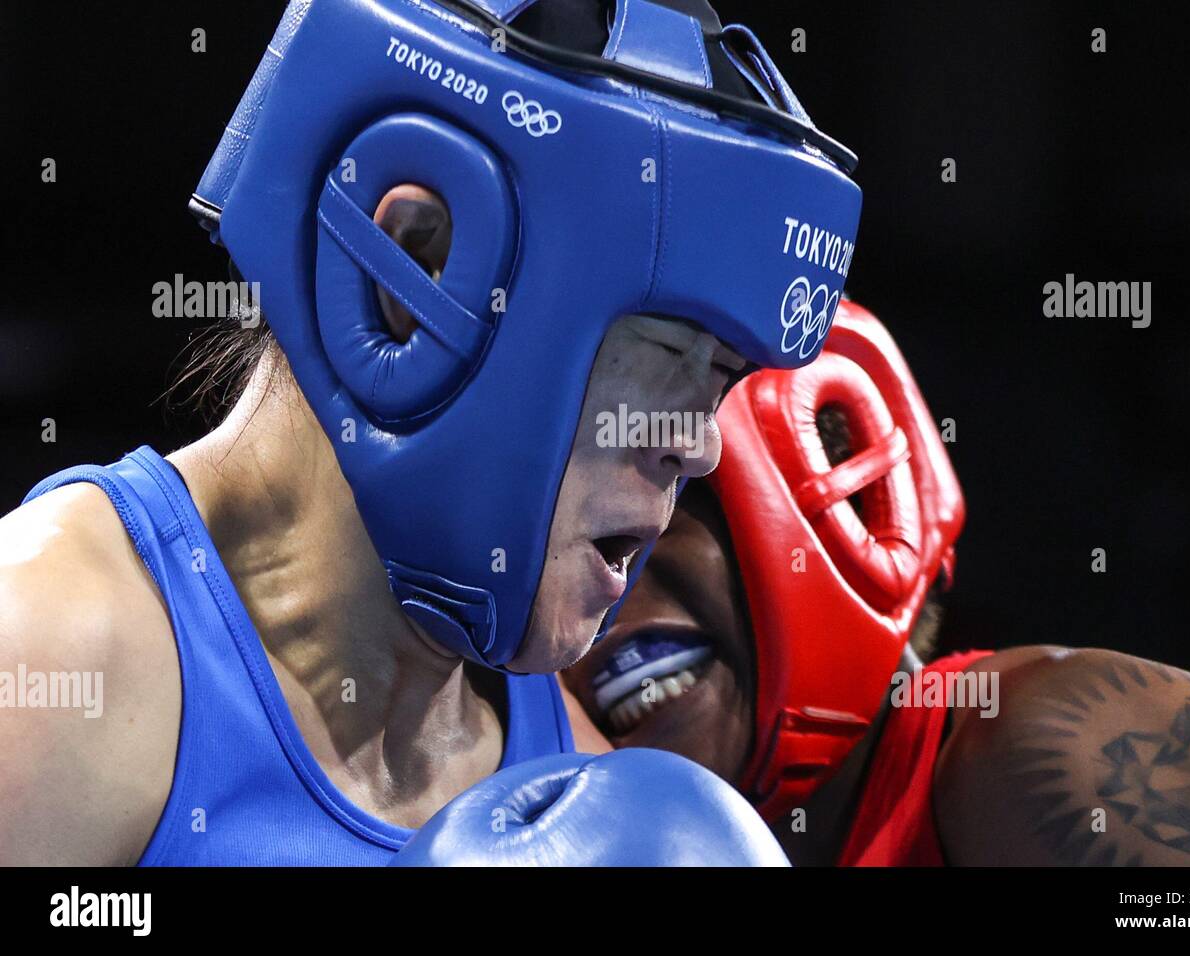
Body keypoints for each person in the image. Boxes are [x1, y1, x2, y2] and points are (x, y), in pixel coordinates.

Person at [0, 0, 862, 864]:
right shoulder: (51, 652)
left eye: (720, 380)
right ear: (414, 275)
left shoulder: (558, 771)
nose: (700, 445)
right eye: (673, 345)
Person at [565, 298, 1190, 866]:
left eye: (657, 516)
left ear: (837, 504)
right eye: (565, 543)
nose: (609, 592)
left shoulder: (1051, 753)